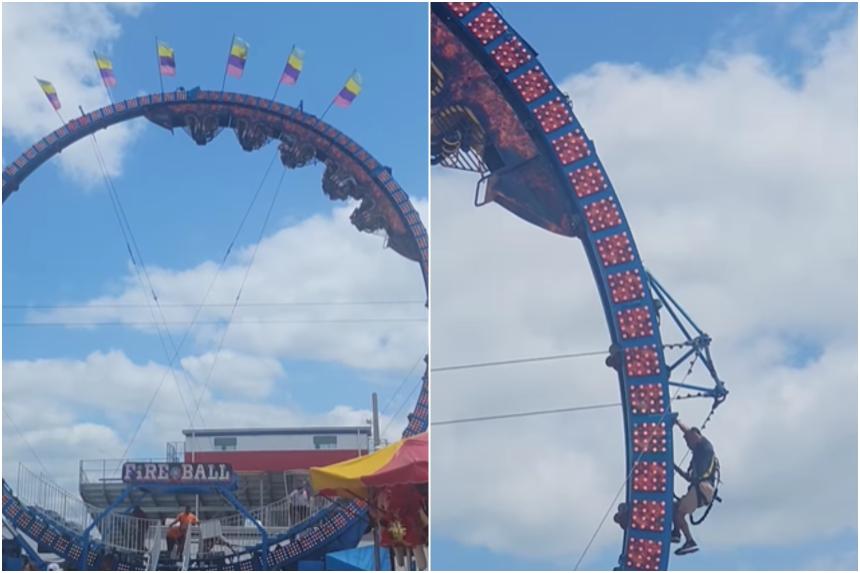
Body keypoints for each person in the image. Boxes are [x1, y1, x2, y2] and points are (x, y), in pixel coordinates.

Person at [672, 417, 718, 556]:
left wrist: (678, 422)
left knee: (678, 512)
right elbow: (689, 477)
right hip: (701, 491)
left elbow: (689, 432)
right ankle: (676, 533)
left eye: (687, 441)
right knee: (675, 508)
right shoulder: (698, 454)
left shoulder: (705, 447)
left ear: (695, 437)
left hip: (702, 490)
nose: (687, 444)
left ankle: (690, 541)